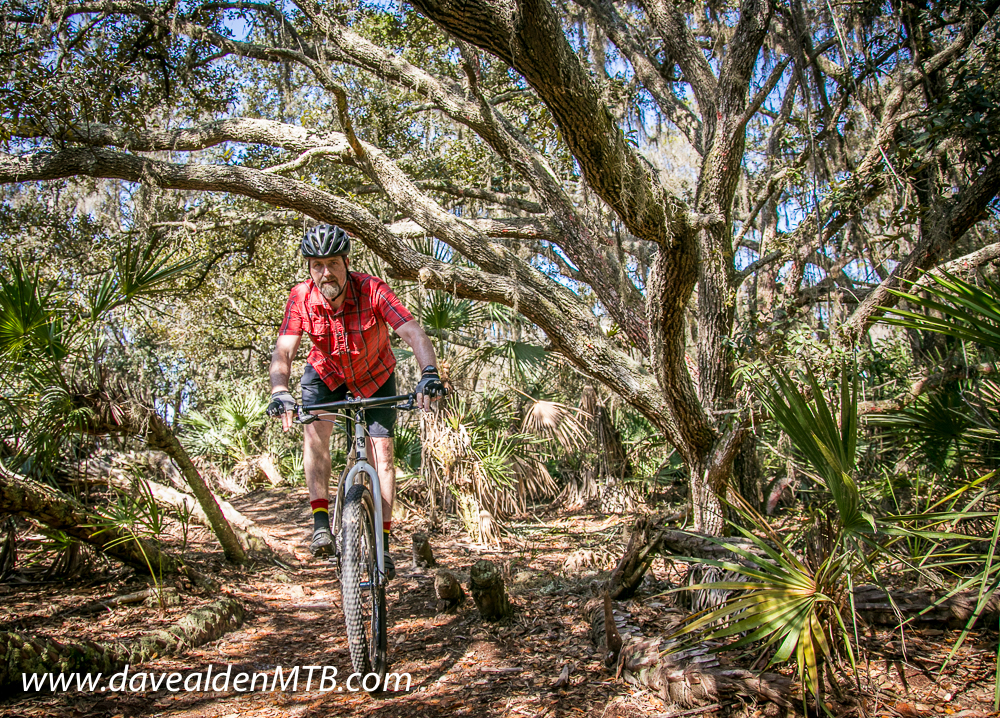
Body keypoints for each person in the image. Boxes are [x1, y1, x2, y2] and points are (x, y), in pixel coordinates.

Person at [267, 224, 446, 579]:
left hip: (376, 375)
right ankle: (321, 523)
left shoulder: (372, 290)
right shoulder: (300, 297)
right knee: (315, 436)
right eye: (317, 265)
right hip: (326, 374)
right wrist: (279, 391)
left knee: (383, 453)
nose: (325, 272)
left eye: (332, 263)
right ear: (309, 268)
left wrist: (429, 373)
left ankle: (383, 542)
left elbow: (412, 332)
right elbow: (284, 350)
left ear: (347, 262)